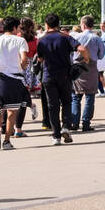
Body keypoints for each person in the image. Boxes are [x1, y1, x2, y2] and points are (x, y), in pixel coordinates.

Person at [35, 15, 86, 147]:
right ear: (58, 24)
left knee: (52, 106)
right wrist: (85, 59)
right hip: (65, 76)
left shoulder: (42, 40)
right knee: (67, 102)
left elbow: (40, 59)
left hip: (48, 76)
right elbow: (82, 48)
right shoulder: (66, 37)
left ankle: (56, 136)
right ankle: (65, 127)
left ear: (46, 24)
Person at [71, 16, 105, 132]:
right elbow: (101, 55)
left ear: (83, 25)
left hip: (77, 67)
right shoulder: (97, 38)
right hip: (91, 67)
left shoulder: (76, 36)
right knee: (90, 96)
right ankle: (86, 123)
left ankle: (74, 123)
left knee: (76, 96)